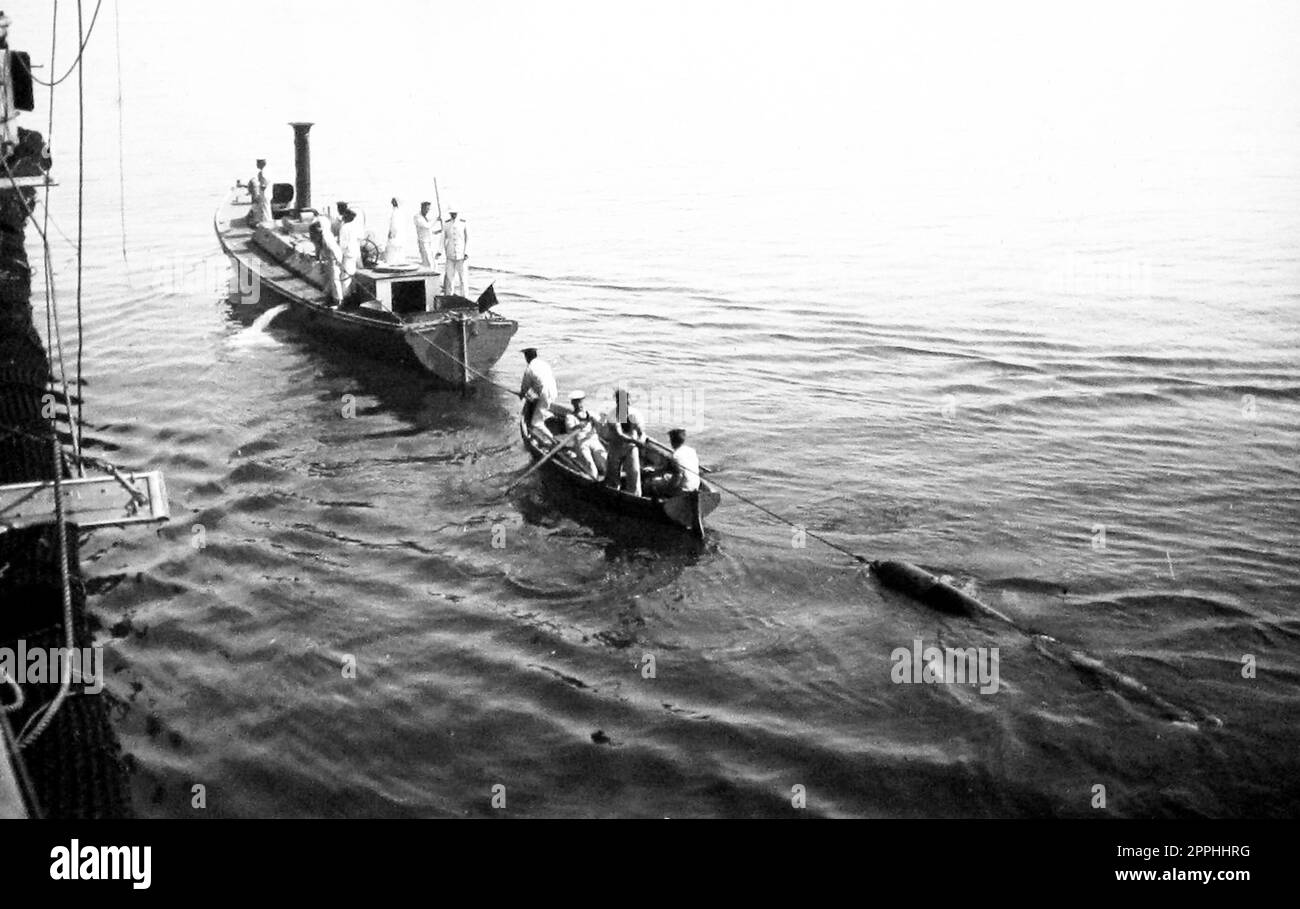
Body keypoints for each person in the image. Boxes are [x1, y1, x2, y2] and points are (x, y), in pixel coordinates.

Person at [600, 391, 646, 496]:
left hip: (631, 448)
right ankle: (612, 493)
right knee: (613, 475)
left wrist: (641, 441)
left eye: (627, 401)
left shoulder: (635, 414)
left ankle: (634, 496)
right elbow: (619, 434)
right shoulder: (612, 415)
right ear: (617, 402)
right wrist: (636, 442)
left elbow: (641, 432)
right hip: (616, 447)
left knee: (634, 473)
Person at [562, 391, 606, 478]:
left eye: (580, 402)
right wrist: (578, 426)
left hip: (594, 440)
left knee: (605, 459)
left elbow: (602, 424)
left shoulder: (590, 413)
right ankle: (594, 480)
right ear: (572, 403)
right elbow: (570, 431)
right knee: (591, 467)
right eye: (576, 402)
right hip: (581, 443)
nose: (579, 405)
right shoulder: (570, 417)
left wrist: (602, 418)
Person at [520, 347, 557, 440]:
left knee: (535, 422)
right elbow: (540, 380)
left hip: (545, 393)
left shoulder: (529, 369)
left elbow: (525, 386)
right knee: (543, 407)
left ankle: (552, 439)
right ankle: (548, 415)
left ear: (527, 358)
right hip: (553, 390)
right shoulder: (544, 364)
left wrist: (522, 394)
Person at [659, 428, 700, 494]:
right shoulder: (692, 451)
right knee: (667, 477)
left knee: (653, 484)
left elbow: (678, 476)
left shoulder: (675, 455)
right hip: (695, 486)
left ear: (672, 441)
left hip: (683, 490)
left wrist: (667, 489)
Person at [441, 208, 468, 297]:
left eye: (455, 213)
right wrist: (440, 251)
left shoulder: (463, 223)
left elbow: (467, 239)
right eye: (452, 213)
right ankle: (449, 297)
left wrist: (466, 252)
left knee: (463, 279)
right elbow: (442, 239)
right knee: (449, 279)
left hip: (461, 256)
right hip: (450, 255)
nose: (453, 215)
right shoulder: (446, 224)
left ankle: (465, 297)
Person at [338, 208, 361, 301]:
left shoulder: (344, 227)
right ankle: (353, 294)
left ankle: (345, 298)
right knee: (353, 274)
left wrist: (339, 256)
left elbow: (342, 244)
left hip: (347, 254)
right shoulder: (355, 226)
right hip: (355, 253)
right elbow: (360, 238)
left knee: (345, 277)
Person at [414, 201, 441, 268]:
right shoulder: (417, 217)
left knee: (433, 260)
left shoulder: (426, 218)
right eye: (426, 209)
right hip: (423, 242)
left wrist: (437, 231)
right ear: (422, 208)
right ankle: (427, 272)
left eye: (428, 209)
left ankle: (433, 272)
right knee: (427, 260)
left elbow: (429, 230)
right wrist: (436, 219)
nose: (427, 211)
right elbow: (427, 226)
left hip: (430, 241)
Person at [384, 197, 410, 264]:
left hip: (397, 233)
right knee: (395, 247)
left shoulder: (397, 212)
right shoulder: (395, 211)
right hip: (397, 232)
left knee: (395, 246)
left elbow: (395, 223)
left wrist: (392, 231)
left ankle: (395, 262)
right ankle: (393, 262)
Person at [248, 159, 273, 226]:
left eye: (257, 163)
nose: (256, 165)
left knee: (265, 209)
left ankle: (266, 224)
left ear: (261, 163)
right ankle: (265, 222)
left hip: (265, 193)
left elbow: (264, 184)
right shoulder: (267, 171)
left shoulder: (263, 172)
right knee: (265, 208)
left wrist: (258, 193)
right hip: (267, 193)